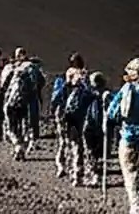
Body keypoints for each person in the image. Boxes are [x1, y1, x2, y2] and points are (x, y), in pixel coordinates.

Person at [107, 57, 139, 214]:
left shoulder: (126, 90)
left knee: (130, 175)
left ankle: (136, 207)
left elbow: (113, 114)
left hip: (128, 137)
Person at [55, 53, 90, 184]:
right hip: (79, 117)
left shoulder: (68, 82)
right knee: (78, 145)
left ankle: (62, 166)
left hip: (66, 116)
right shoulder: (85, 78)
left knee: (64, 142)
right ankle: (77, 172)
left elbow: (59, 98)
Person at [0, 48, 36, 161]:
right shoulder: (31, 67)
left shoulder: (11, 67)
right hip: (24, 102)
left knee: (11, 127)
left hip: (11, 101)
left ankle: (17, 146)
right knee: (22, 126)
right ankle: (20, 149)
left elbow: (3, 84)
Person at [83, 71, 111, 186]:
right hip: (98, 127)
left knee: (92, 152)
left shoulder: (90, 94)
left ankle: (94, 175)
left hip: (92, 126)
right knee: (96, 152)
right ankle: (94, 175)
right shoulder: (105, 95)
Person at [25, 56, 47, 151]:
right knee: (34, 115)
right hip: (34, 96)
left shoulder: (25, 69)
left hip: (25, 96)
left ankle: (27, 133)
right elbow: (42, 82)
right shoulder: (36, 71)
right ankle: (34, 134)